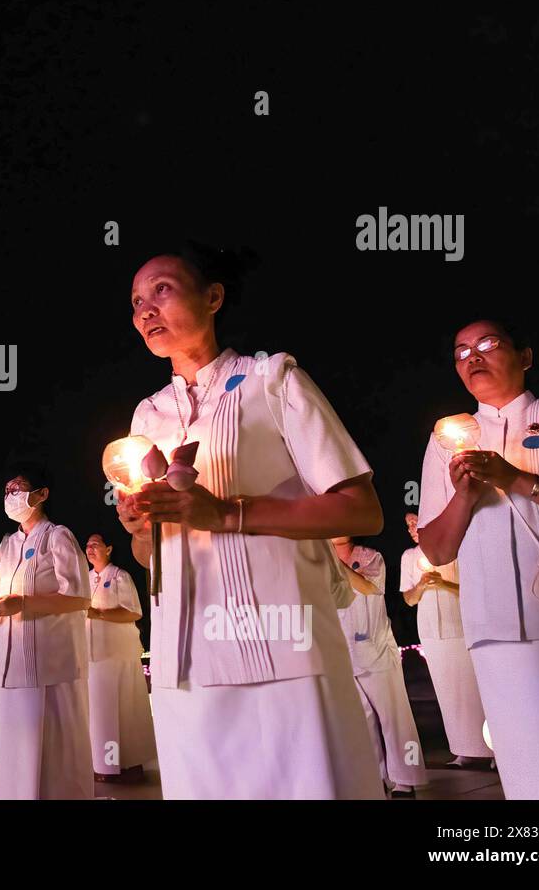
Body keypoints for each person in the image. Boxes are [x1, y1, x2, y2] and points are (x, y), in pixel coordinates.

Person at [117, 247, 385, 798]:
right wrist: (143, 529)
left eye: (162, 290)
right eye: (137, 302)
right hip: (184, 660)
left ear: (213, 297)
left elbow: (362, 510)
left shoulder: (272, 381)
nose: (146, 310)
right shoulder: (148, 417)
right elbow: (150, 559)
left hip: (283, 642)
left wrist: (227, 513)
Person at [417, 319, 539, 798]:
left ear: (525, 357)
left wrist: (517, 479)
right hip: (496, 633)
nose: (473, 357)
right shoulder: (449, 439)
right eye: (461, 351)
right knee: (529, 778)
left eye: (488, 344)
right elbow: (437, 549)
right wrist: (464, 495)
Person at [0, 463, 94, 800]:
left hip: (49, 663)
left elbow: (78, 598)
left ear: (42, 494)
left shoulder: (57, 537)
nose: (11, 495)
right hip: (9, 664)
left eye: (18, 488)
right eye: (7, 490)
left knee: (53, 746)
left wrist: (24, 603)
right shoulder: (5, 547)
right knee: (13, 742)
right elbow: (0, 595)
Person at [332, 537, 428, 797]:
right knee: (361, 723)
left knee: (394, 718)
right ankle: (376, 777)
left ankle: (405, 780)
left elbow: (368, 587)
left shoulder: (371, 557)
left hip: (375, 649)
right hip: (341, 655)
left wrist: (330, 562)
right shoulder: (320, 560)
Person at [398, 512, 491, 768]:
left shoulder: (455, 551)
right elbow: (408, 599)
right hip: (431, 630)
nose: (412, 528)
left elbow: (471, 590)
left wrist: (442, 584)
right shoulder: (409, 557)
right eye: (409, 526)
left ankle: (493, 750)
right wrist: (421, 586)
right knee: (448, 692)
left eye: (416, 521)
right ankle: (462, 749)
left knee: (474, 688)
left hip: (460, 627)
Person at [84, 533, 155, 783]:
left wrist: (98, 614)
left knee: (125, 711)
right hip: (93, 656)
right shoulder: (86, 580)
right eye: (88, 545)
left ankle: (129, 763)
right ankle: (106, 764)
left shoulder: (119, 576)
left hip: (119, 654)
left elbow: (133, 612)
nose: (90, 549)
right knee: (100, 714)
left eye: (96, 544)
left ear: (109, 548)